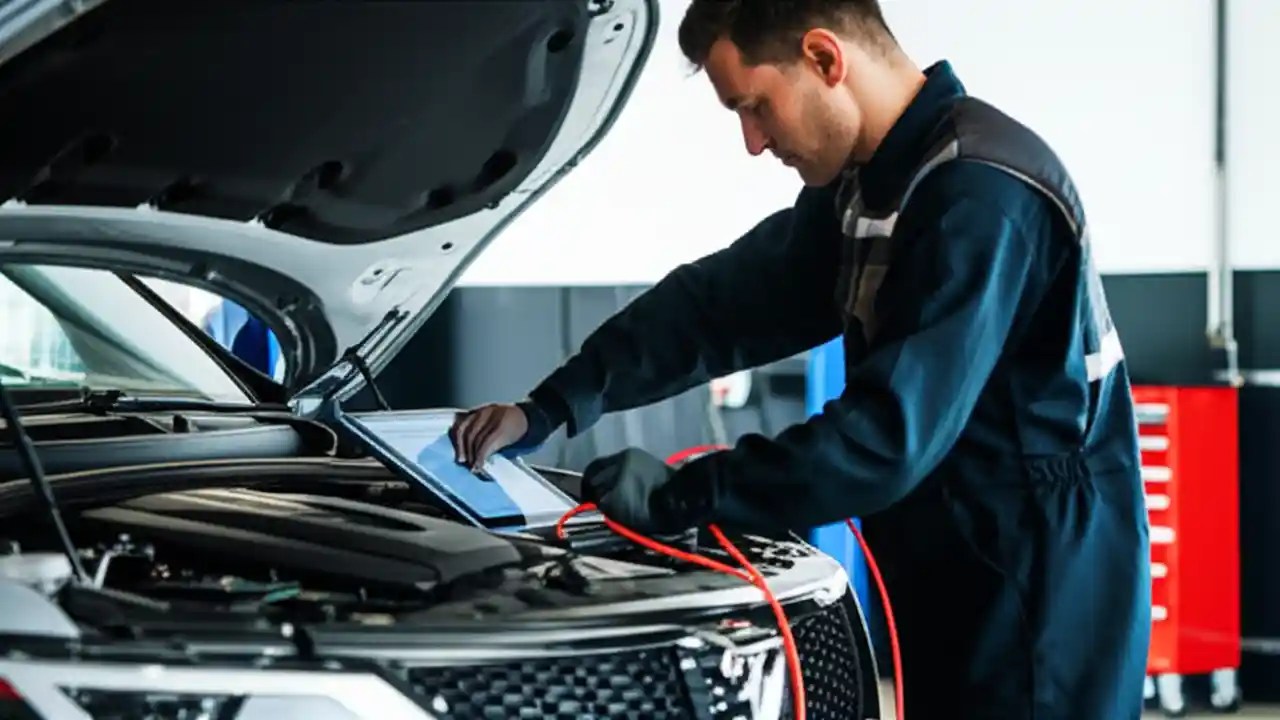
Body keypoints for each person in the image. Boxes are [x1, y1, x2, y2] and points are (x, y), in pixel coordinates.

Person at [449, 1, 1151, 718]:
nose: (754, 142)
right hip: (962, 561)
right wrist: (555, 405)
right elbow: (718, 307)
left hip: (1038, 594)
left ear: (824, 58)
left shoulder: (978, 192)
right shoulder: (873, 184)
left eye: (755, 107)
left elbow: (885, 439)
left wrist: (680, 496)